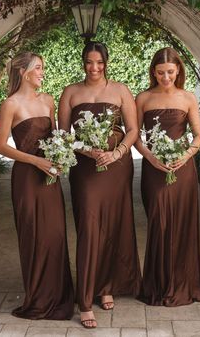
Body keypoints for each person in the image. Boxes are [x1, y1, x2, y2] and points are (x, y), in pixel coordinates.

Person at [58, 41, 141, 328]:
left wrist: (115, 153)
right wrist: (87, 150)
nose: (94, 68)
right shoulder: (70, 91)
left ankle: (106, 285)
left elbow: (132, 130)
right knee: (90, 227)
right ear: (83, 62)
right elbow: (64, 134)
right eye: (89, 62)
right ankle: (84, 299)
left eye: (99, 62)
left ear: (107, 62)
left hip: (117, 167)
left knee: (113, 225)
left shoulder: (120, 90)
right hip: (85, 168)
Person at [0, 52, 74, 319]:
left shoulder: (48, 101)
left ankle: (59, 294)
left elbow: (54, 138)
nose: (42, 72)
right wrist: (35, 161)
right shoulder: (10, 104)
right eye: (38, 68)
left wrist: (59, 157)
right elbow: (1, 146)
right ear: (23, 72)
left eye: (43, 67)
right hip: (27, 180)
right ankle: (38, 297)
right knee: (34, 235)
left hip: (49, 177)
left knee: (55, 234)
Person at [135, 47, 200, 306]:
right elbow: (135, 136)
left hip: (183, 169)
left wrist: (186, 154)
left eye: (169, 72)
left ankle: (184, 283)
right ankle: (158, 284)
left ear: (178, 70)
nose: (165, 77)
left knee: (182, 224)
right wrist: (151, 157)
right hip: (154, 169)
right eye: (159, 73)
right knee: (159, 222)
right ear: (153, 72)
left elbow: (198, 135)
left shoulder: (187, 97)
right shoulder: (143, 98)